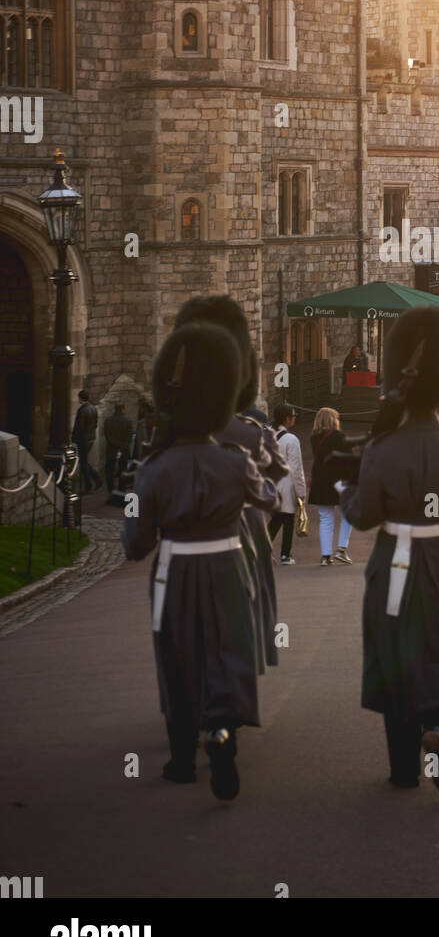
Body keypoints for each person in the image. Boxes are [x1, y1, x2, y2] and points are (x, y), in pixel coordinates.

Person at [338, 305, 439, 792]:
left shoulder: (383, 449)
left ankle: (404, 770)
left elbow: (362, 515)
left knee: (395, 658)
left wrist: (345, 488)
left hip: (392, 563)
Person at [124, 320, 277, 801]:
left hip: (173, 568)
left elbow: (135, 543)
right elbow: (270, 498)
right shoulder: (234, 459)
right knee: (227, 651)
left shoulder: (152, 469)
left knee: (177, 657)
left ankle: (181, 760)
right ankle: (224, 735)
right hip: (229, 564)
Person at [174, 295, 289, 673]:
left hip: (185, 535)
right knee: (249, 598)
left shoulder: (172, 436)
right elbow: (273, 481)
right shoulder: (252, 433)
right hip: (242, 527)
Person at [309, 407, 353, 565]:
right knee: (348, 515)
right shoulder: (340, 437)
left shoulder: (314, 438)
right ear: (333, 420)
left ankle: (325, 556)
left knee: (325, 519)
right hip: (339, 481)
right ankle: (341, 549)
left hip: (321, 482)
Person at [268, 402, 306, 565]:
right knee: (288, 519)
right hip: (286, 483)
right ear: (286, 419)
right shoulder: (291, 439)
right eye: (293, 416)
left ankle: (264, 550)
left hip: (270, 482)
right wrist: (301, 491)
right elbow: (296, 468)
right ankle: (285, 554)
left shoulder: (267, 435)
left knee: (276, 518)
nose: (294, 419)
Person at [71, 389, 101, 493]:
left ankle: (90, 485)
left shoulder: (82, 410)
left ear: (80, 398)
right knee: (84, 461)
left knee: (83, 463)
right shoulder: (93, 408)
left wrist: (73, 438)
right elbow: (96, 423)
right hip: (91, 437)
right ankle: (97, 479)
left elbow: (79, 427)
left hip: (83, 439)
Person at [104, 403, 134, 498]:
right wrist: (122, 447)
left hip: (112, 448)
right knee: (122, 470)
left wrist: (115, 445)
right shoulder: (128, 421)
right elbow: (129, 437)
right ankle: (121, 489)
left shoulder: (107, 421)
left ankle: (111, 489)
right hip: (123, 449)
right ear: (123, 409)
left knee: (109, 470)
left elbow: (107, 436)